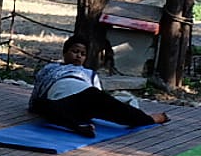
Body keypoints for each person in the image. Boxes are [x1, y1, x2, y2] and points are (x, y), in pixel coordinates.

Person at [29, 35, 169, 137]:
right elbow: (38, 90)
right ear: (65, 53)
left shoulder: (89, 73)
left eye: (82, 54)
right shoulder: (51, 68)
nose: (78, 56)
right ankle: (78, 128)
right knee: (42, 106)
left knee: (120, 111)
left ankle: (150, 118)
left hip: (87, 97)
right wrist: (33, 105)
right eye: (75, 51)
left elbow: (100, 97)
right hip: (61, 103)